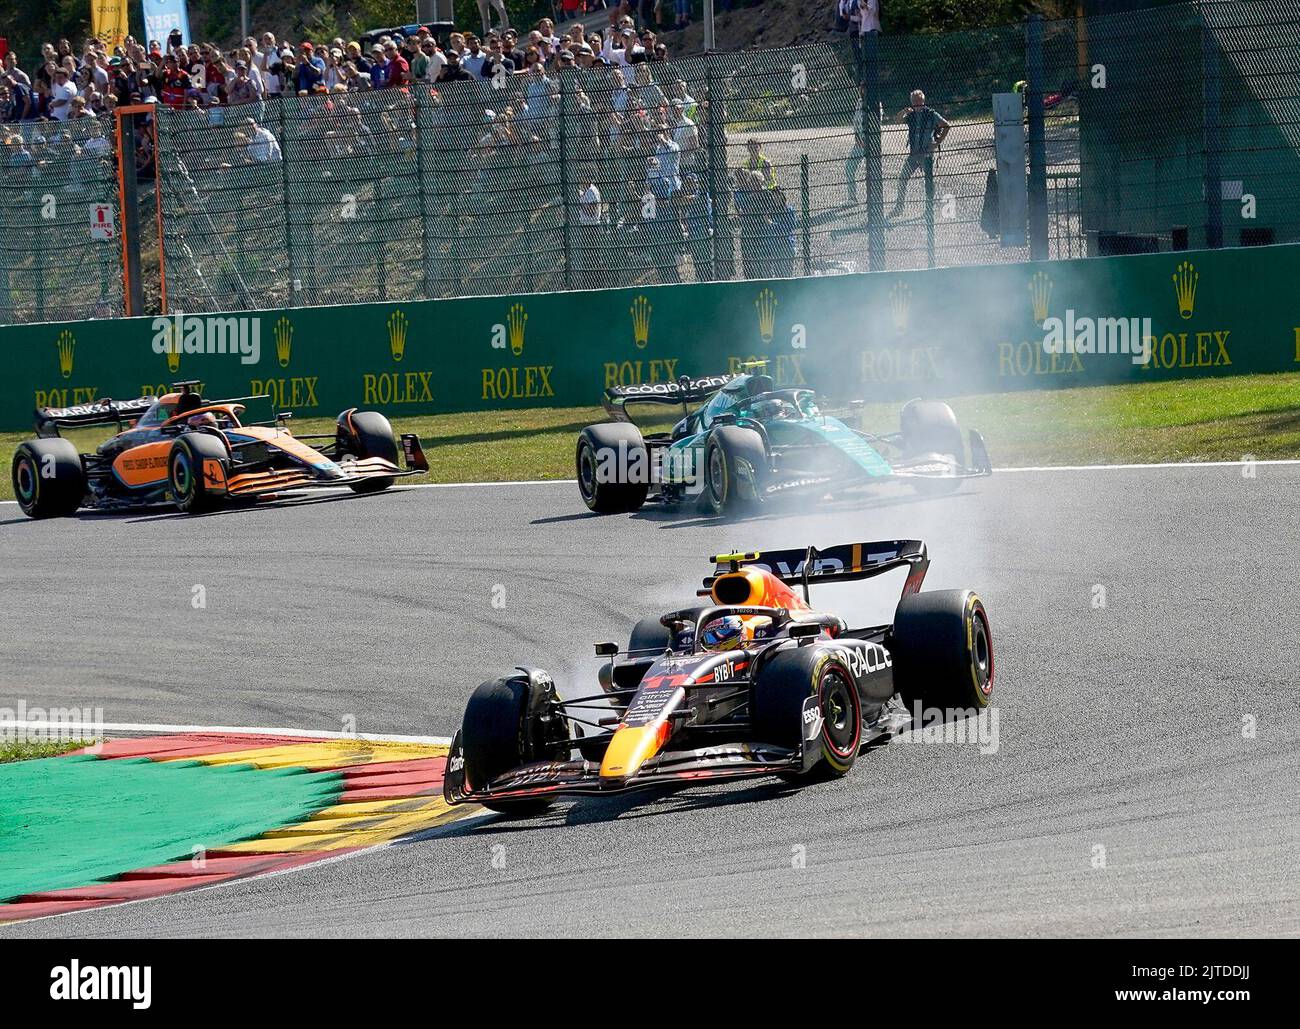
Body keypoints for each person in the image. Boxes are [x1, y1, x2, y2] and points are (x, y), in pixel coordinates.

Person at [889, 88, 949, 219]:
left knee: (928, 182)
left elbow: (946, 125)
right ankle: (899, 207)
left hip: (926, 154)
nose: (917, 104)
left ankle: (929, 209)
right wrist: (904, 111)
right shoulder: (910, 115)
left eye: (919, 101)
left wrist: (937, 143)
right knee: (902, 179)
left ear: (923, 101)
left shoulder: (931, 114)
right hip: (914, 154)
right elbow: (897, 120)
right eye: (914, 101)